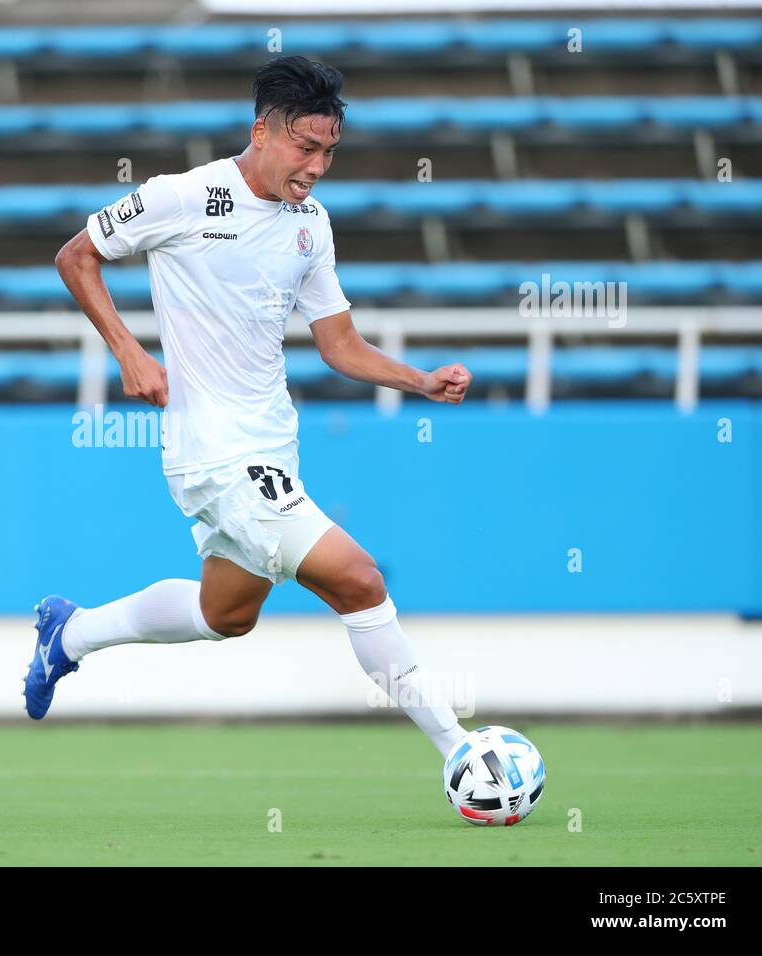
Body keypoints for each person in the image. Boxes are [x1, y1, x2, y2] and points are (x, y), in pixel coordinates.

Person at [26, 56, 471, 763]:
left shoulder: (311, 225)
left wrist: (420, 381)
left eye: (329, 151)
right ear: (261, 129)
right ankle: (462, 752)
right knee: (359, 578)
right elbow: (75, 256)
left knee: (224, 614)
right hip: (215, 452)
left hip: (271, 447)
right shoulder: (185, 196)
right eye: (305, 147)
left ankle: (70, 634)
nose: (317, 165)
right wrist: (129, 352)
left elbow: (340, 344)